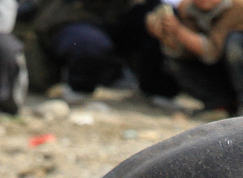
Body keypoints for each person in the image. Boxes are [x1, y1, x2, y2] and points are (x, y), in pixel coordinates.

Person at [146, 0, 243, 114]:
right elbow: (185, 53)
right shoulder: (189, 9)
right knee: (174, 59)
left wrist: (178, 31)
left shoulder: (238, 8)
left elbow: (211, 52)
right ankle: (220, 103)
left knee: (235, 43)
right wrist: (165, 35)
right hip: (227, 74)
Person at [31, 0, 179, 103]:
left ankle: (159, 90)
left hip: (121, 16)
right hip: (76, 18)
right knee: (89, 43)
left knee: (165, 19)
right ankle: (79, 89)